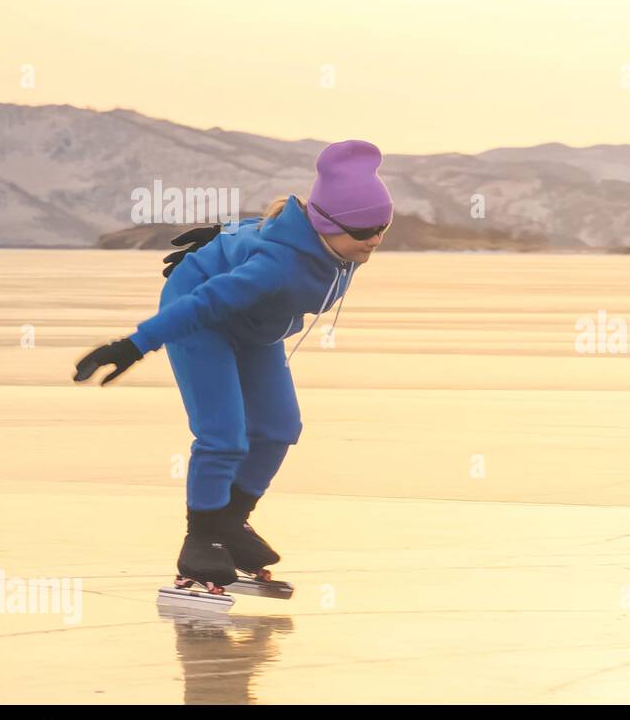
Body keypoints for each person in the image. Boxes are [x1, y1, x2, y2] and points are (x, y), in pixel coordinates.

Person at [72, 140, 393, 594]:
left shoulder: (342, 246)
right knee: (223, 436)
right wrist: (133, 345)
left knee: (280, 428)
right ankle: (201, 541)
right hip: (199, 318)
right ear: (327, 225)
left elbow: (282, 222)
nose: (375, 240)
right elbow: (204, 303)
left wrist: (227, 234)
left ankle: (231, 524)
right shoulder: (275, 268)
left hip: (257, 329)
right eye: (364, 231)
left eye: (383, 227)